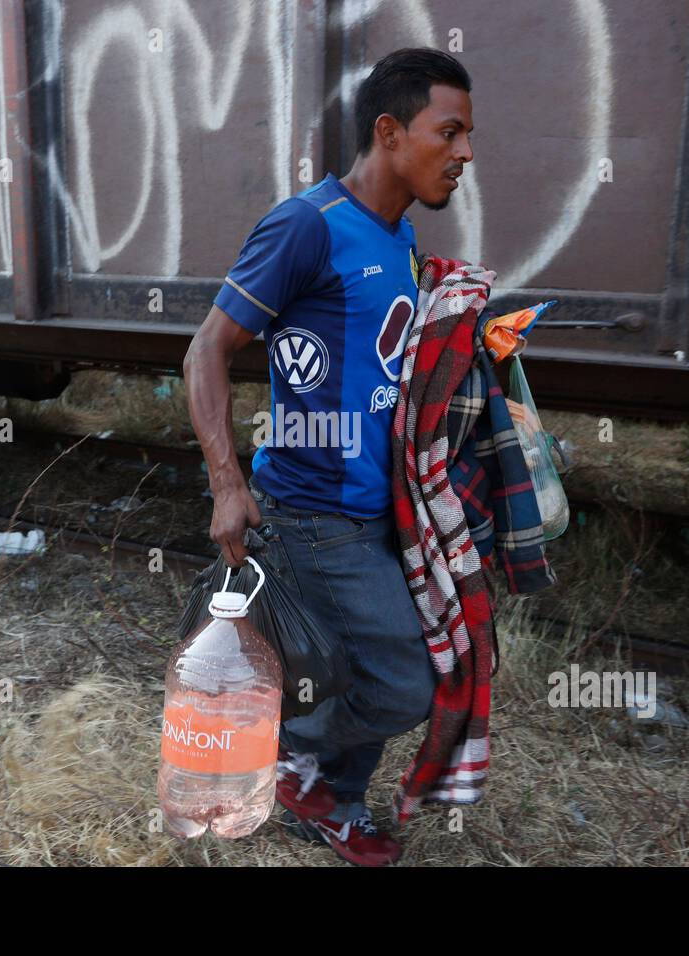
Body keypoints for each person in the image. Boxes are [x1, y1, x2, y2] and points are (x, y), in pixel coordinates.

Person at [183, 48, 475, 866]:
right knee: (405, 686)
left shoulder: (399, 234)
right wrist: (227, 486)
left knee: (365, 667)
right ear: (389, 132)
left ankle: (328, 801)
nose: (466, 153)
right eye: (447, 132)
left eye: (468, 134)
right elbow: (206, 350)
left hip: (384, 509)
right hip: (315, 514)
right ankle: (284, 757)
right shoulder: (307, 225)